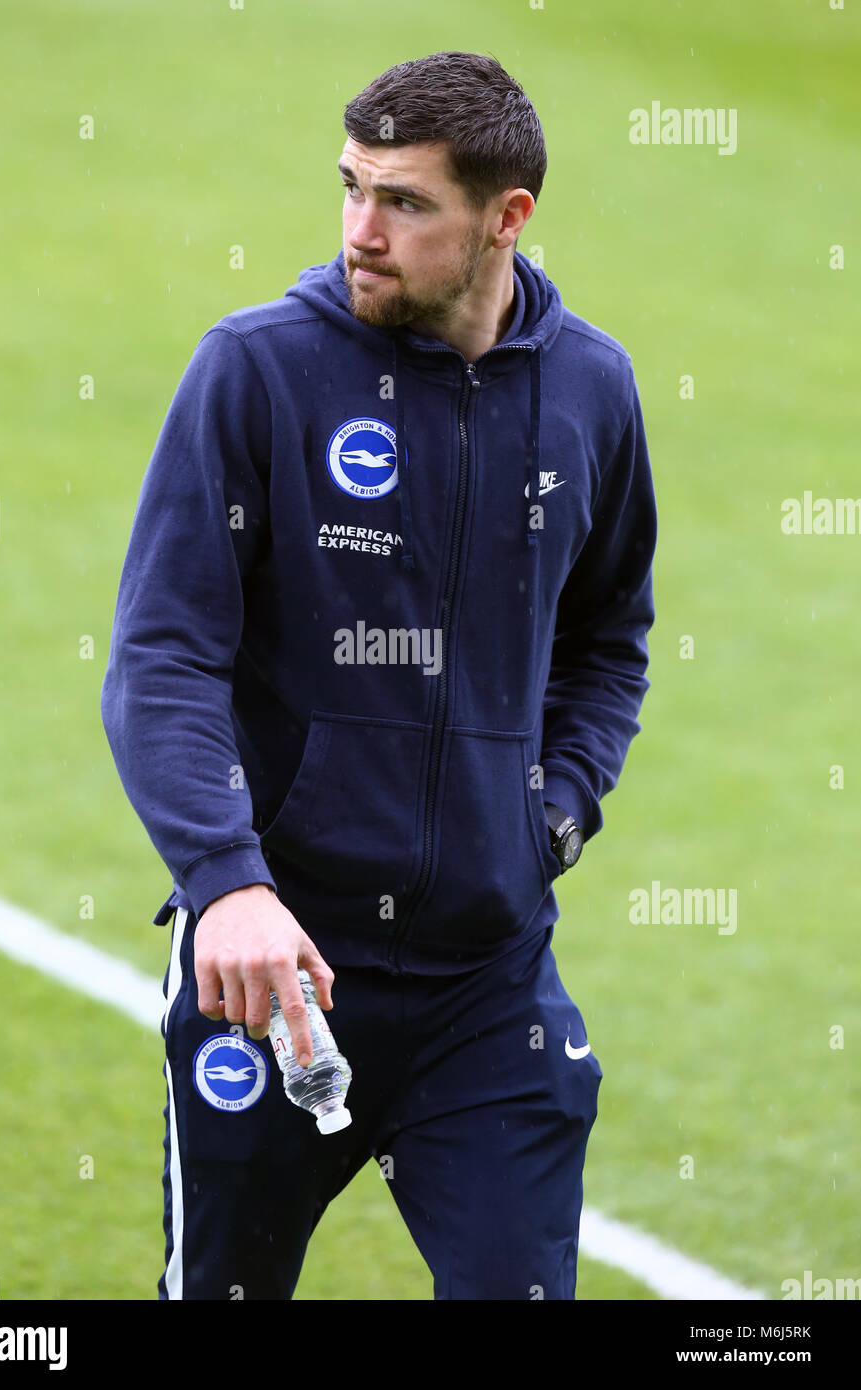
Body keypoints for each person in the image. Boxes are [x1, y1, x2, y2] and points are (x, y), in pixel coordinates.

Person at [101, 49, 656, 1301]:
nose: (362, 230)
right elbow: (163, 656)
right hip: (277, 972)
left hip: (488, 984)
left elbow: (611, 633)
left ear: (506, 218)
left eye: (405, 202)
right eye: (352, 186)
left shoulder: (592, 393)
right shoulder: (256, 371)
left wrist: (553, 811)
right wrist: (226, 882)